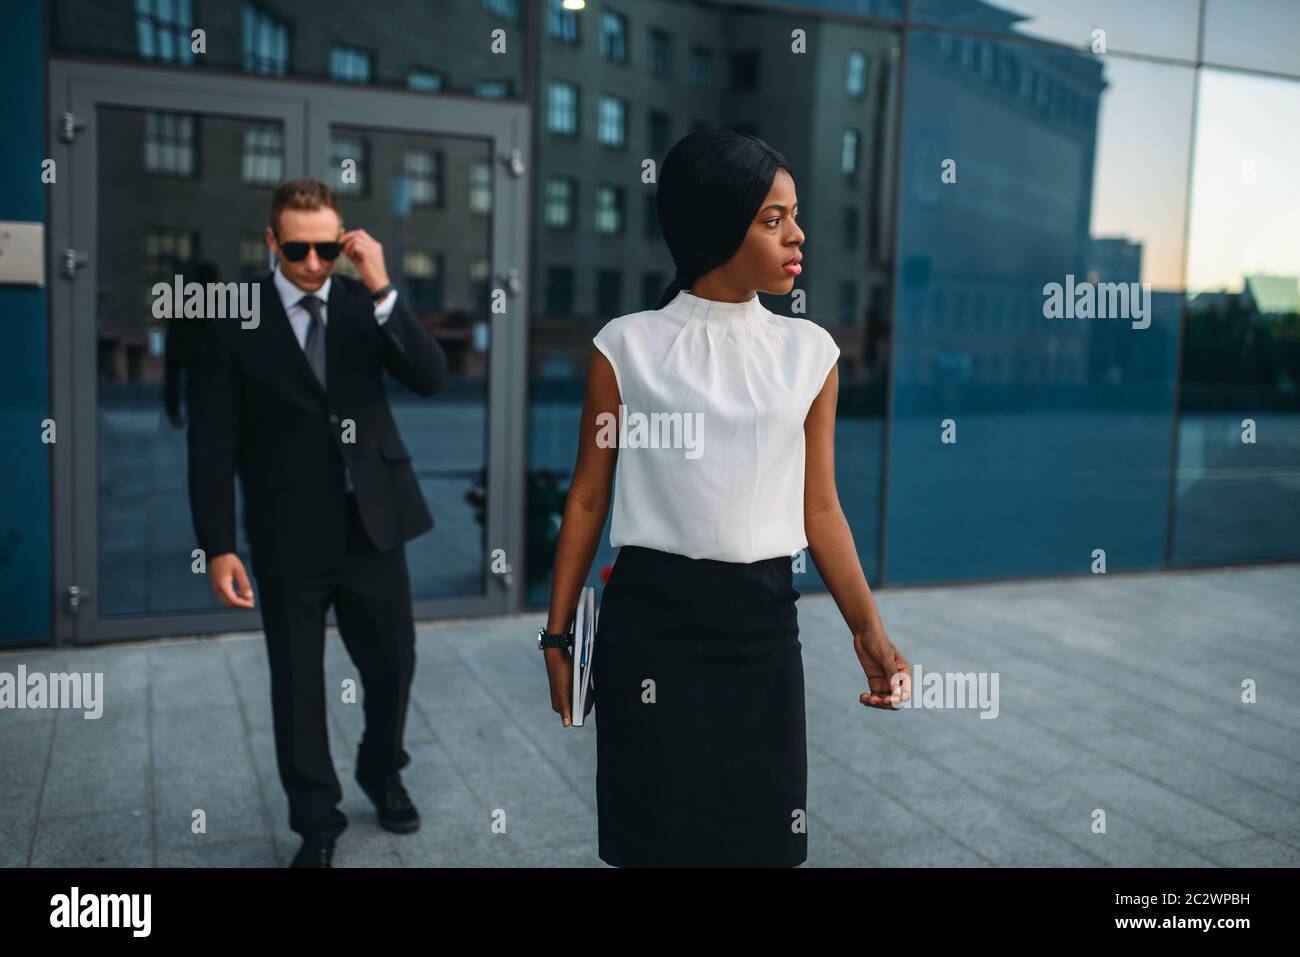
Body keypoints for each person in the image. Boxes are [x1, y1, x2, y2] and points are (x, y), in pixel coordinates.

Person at [540, 130, 912, 867]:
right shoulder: (627, 346)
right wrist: (557, 635)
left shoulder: (812, 353)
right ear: (714, 226)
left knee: (763, 843)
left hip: (762, 630)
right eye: (772, 219)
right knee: (656, 846)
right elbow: (587, 499)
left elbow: (822, 509)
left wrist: (869, 633)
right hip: (650, 627)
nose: (797, 234)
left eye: (794, 215)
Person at [186, 178, 448, 867]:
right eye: (296, 247)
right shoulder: (232, 317)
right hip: (287, 532)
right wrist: (217, 547)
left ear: (343, 240)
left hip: (374, 522)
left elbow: (430, 376)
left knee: (393, 664)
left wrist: (385, 285)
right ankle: (316, 823)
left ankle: (381, 770)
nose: (311, 262)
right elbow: (211, 441)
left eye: (325, 247)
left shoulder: (367, 301)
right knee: (298, 685)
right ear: (272, 241)